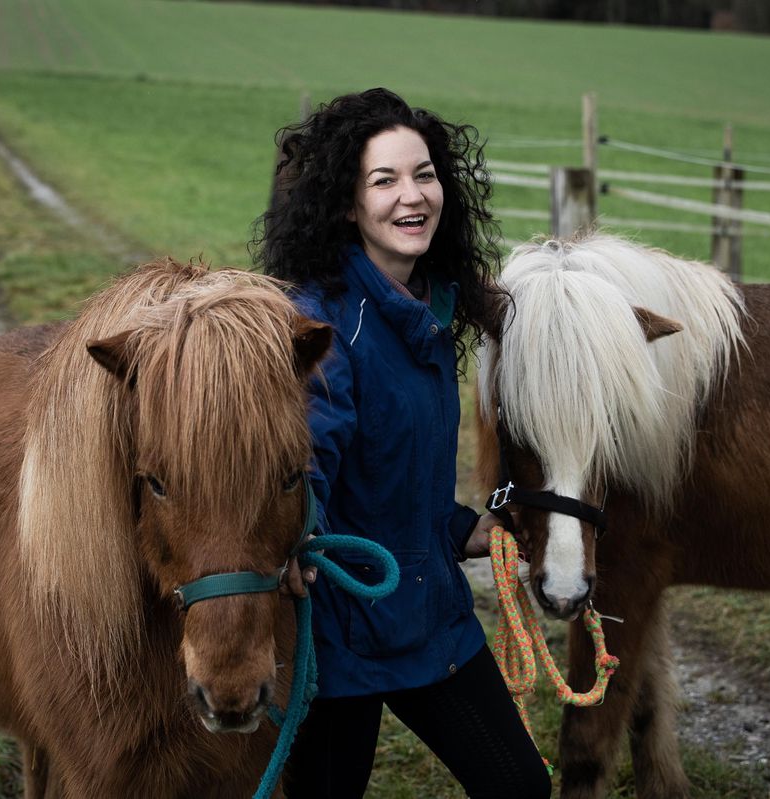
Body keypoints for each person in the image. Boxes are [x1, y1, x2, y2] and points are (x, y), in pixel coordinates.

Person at [253, 88, 551, 799]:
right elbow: (308, 470)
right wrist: (291, 546)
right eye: (383, 180)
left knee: (520, 788)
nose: (411, 196)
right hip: (337, 629)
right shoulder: (322, 326)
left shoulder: (430, 306)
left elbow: (393, 475)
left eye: (423, 174)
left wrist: (461, 527)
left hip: (428, 614)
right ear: (346, 203)